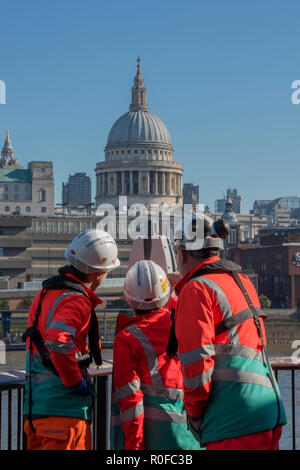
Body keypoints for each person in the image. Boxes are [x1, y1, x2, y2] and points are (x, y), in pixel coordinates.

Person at [171, 214, 287, 451]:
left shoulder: (196, 289)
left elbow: (196, 361)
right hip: (268, 411)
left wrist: (194, 413)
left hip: (233, 419)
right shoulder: (242, 281)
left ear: (182, 254)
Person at [23, 229, 120, 451]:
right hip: (64, 415)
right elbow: (58, 340)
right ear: (98, 273)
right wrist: (74, 380)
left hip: (36, 411)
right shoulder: (76, 300)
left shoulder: (45, 294)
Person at [110, 260, 201, 450]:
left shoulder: (127, 338)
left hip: (156, 438)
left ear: (129, 296)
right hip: (193, 434)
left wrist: (134, 448)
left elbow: (130, 401)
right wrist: (181, 281)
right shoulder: (182, 321)